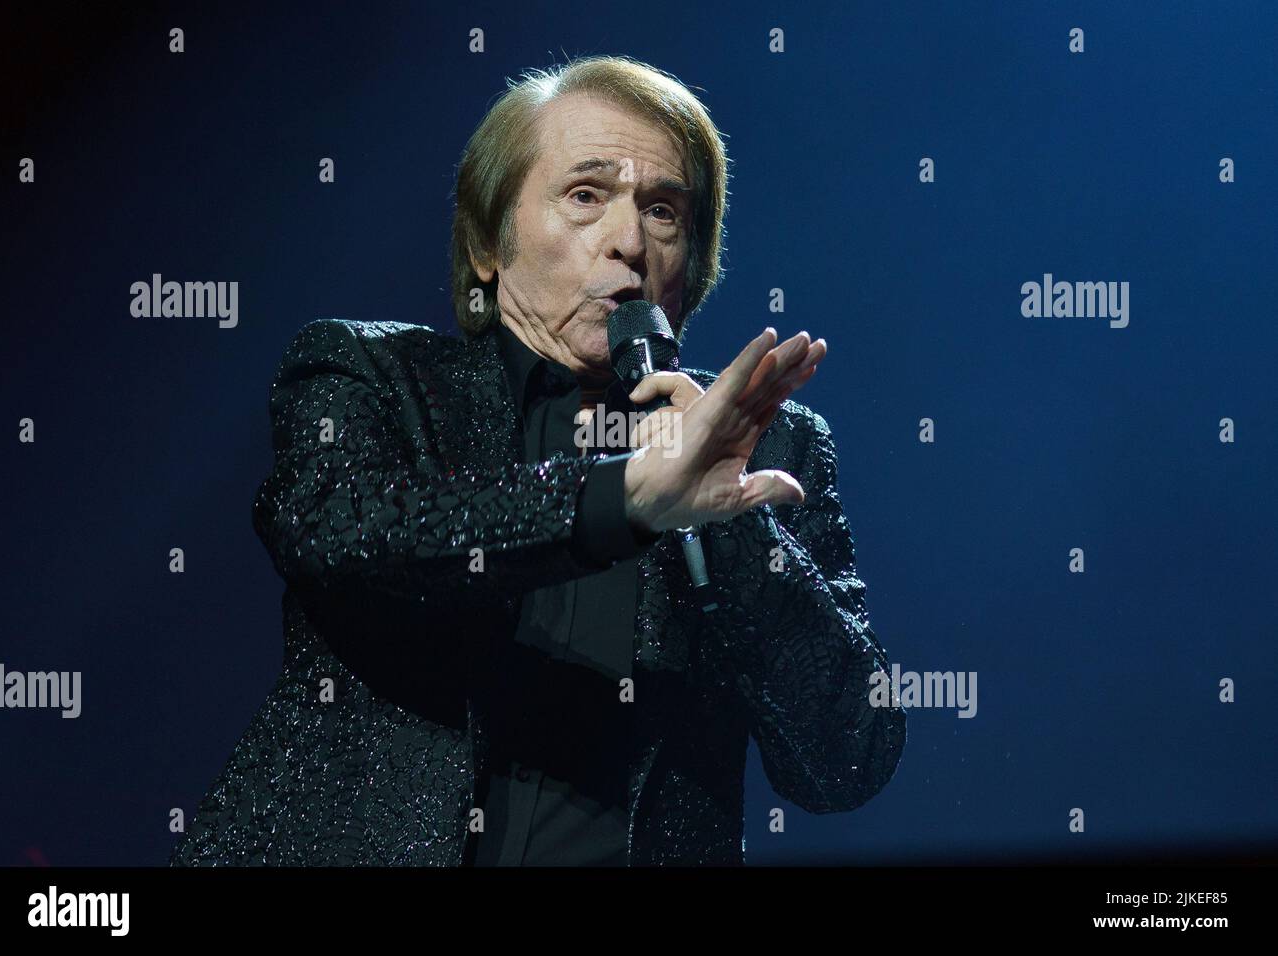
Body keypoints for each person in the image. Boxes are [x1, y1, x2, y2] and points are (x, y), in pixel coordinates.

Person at [169, 54, 905, 867]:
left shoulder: (779, 442)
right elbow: (343, 534)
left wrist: (728, 515)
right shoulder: (372, 376)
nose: (629, 242)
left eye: (663, 211)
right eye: (586, 196)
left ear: (693, 267)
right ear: (489, 243)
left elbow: (847, 759)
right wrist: (625, 498)